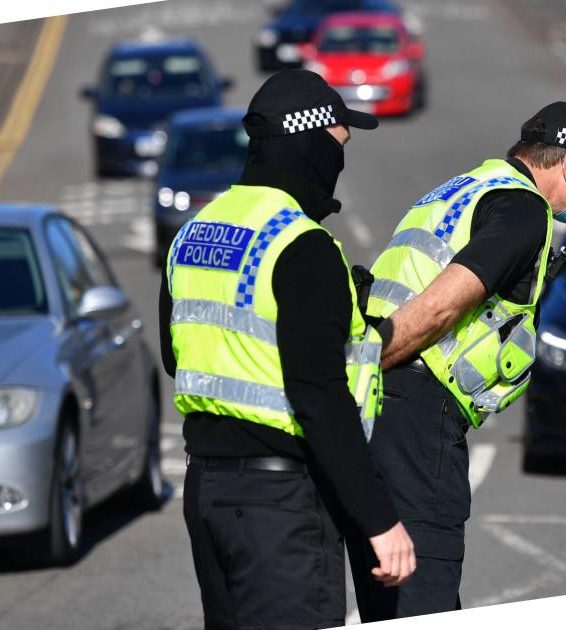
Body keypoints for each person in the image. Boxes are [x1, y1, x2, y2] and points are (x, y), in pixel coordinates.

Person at [344, 101, 566, 620]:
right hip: (417, 409)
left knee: (390, 600)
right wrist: (368, 359)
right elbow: (441, 305)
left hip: (381, 408)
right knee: (421, 598)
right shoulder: (524, 211)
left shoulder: (462, 187)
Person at [159, 70, 415, 629]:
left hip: (206, 495)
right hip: (280, 504)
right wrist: (379, 520)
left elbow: (177, 358)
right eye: (340, 145)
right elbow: (318, 396)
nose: (341, 162)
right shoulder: (302, 247)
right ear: (310, 140)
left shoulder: (193, 234)